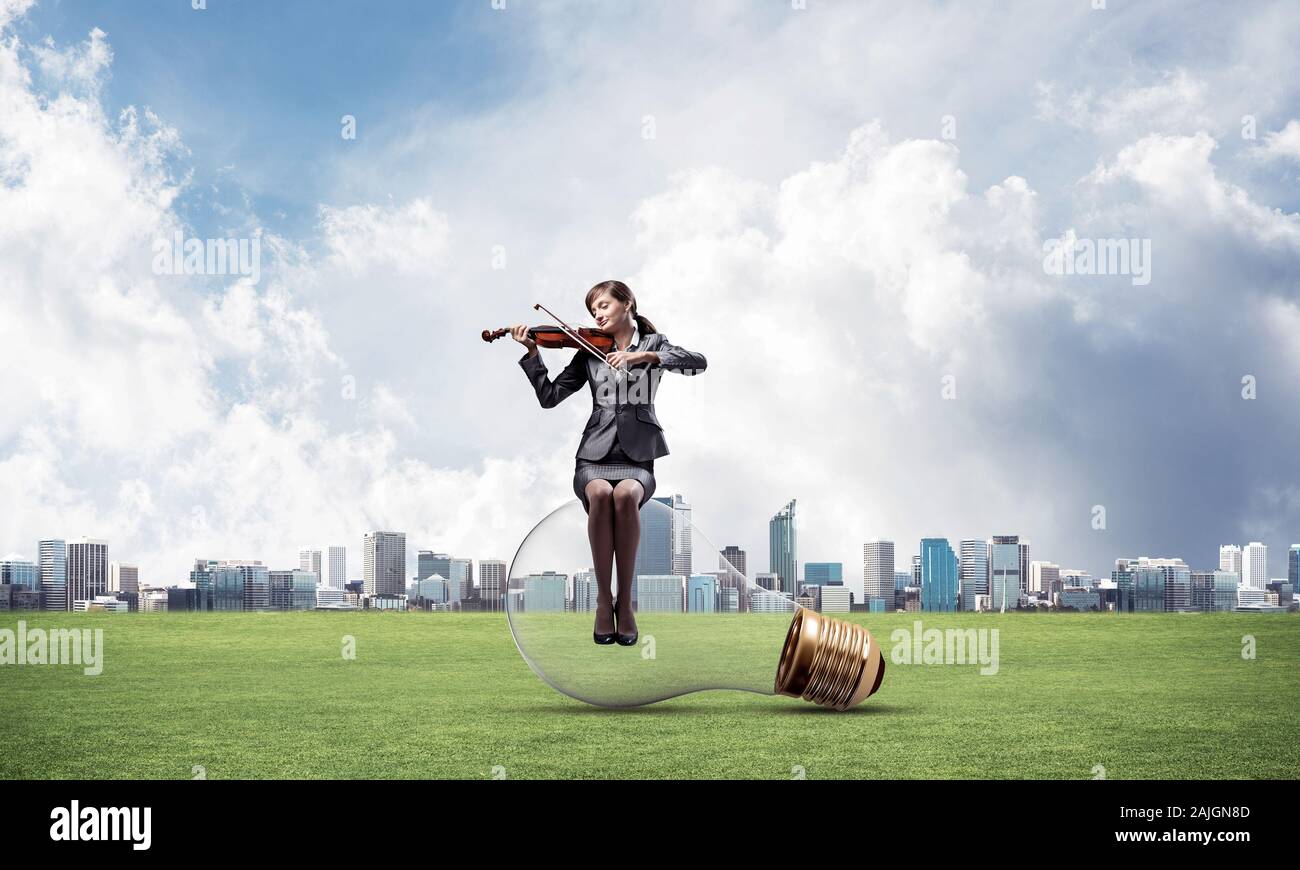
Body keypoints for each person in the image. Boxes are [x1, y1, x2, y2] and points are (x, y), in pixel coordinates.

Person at [511, 280, 707, 646]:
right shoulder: (587, 350)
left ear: (626, 303)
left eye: (603, 306)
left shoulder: (654, 343)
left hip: (638, 458)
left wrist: (642, 357)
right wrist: (532, 355)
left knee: (625, 496)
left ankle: (626, 604)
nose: (597, 315)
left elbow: (698, 363)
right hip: (593, 456)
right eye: (593, 311)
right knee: (601, 494)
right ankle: (604, 601)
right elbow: (550, 397)